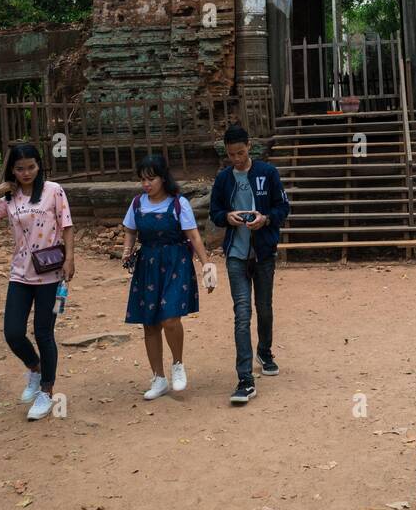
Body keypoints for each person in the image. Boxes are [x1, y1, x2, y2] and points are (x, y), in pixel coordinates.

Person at [0, 141, 74, 421]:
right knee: (13, 332)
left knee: (44, 333)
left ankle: (46, 391)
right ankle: (34, 366)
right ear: (12, 170)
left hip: (50, 274)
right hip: (20, 273)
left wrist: (70, 259)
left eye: (31, 167)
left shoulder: (53, 191)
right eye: (20, 168)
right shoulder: (9, 199)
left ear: (39, 166)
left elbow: (66, 225)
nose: (26, 173)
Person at [122, 152, 216, 400]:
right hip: (147, 265)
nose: (146, 184)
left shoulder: (178, 203)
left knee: (170, 318)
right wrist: (126, 251)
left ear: (163, 178)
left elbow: (194, 236)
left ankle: (177, 364)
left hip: (176, 263)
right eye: (142, 179)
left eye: (151, 179)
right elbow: (130, 231)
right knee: (150, 322)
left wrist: (207, 265)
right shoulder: (137, 204)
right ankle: (158, 378)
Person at [209, 123, 290, 405]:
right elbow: (215, 212)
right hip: (235, 253)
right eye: (231, 155)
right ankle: (244, 379)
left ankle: (265, 351)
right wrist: (227, 217)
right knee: (241, 314)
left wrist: (265, 219)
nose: (237, 159)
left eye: (241, 153)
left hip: (264, 251)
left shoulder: (268, 173)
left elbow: (283, 207)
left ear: (249, 147)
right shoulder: (223, 179)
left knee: (264, 307)